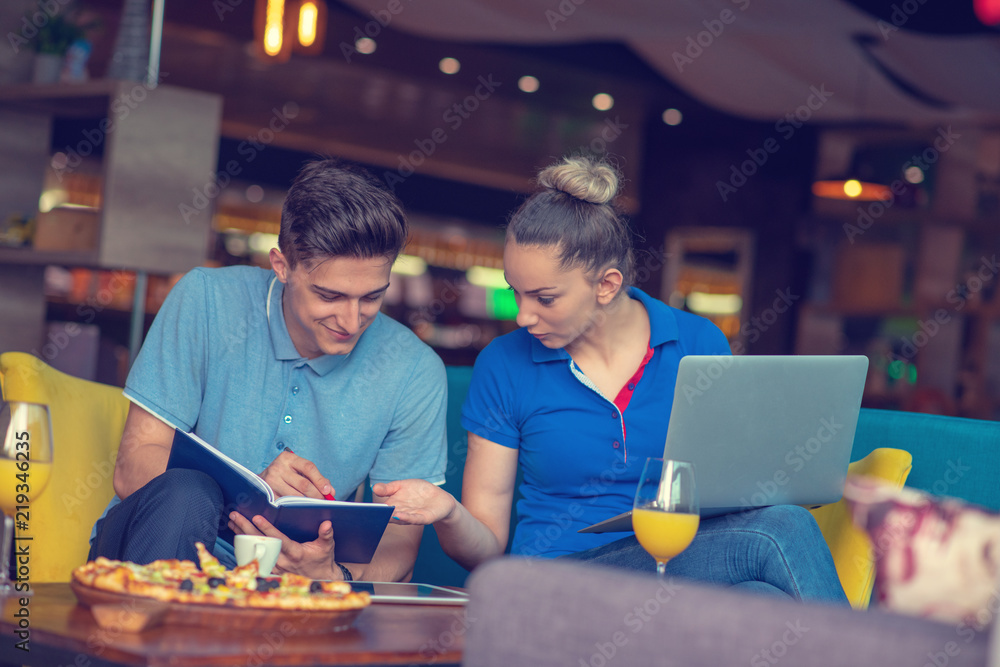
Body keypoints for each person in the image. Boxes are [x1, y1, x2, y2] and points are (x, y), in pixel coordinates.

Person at [374, 156, 848, 602]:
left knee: (763, 595)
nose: (522, 316)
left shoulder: (698, 342)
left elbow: (733, 490)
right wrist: (450, 513)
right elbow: (487, 550)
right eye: (516, 292)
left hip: (677, 567)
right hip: (554, 582)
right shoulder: (505, 363)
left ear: (607, 285)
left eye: (544, 298)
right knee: (781, 529)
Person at [89, 159, 448, 582]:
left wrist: (334, 574)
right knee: (187, 493)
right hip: (153, 549)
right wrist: (247, 493)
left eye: (371, 297)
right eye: (329, 296)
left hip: (291, 584)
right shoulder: (206, 300)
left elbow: (400, 544)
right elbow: (131, 469)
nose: (352, 321)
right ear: (282, 266)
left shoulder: (415, 370)